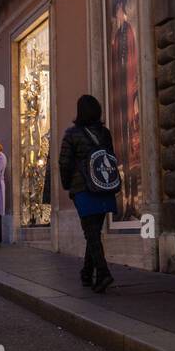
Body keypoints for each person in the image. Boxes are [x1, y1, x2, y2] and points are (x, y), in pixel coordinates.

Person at [59, 95, 117, 293]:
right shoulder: (105, 133)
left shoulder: (72, 134)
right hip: (103, 185)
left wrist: (67, 185)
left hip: (82, 188)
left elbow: (64, 163)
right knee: (94, 231)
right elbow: (111, 157)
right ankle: (86, 272)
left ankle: (103, 273)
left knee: (91, 232)